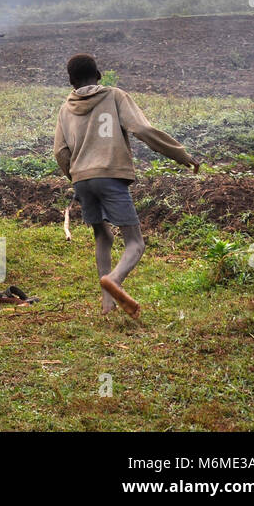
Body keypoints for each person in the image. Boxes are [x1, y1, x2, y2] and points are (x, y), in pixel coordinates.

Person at [54, 53, 199, 318]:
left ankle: (107, 304)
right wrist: (180, 154)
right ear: (98, 75)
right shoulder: (115, 96)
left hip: (82, 180)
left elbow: (60, 153)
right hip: (110, 176)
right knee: (135, 243)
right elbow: (142, 131)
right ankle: (115, 279)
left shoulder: (65, 108)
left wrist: (76, 178)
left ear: (71, 81)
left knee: (103, 236)